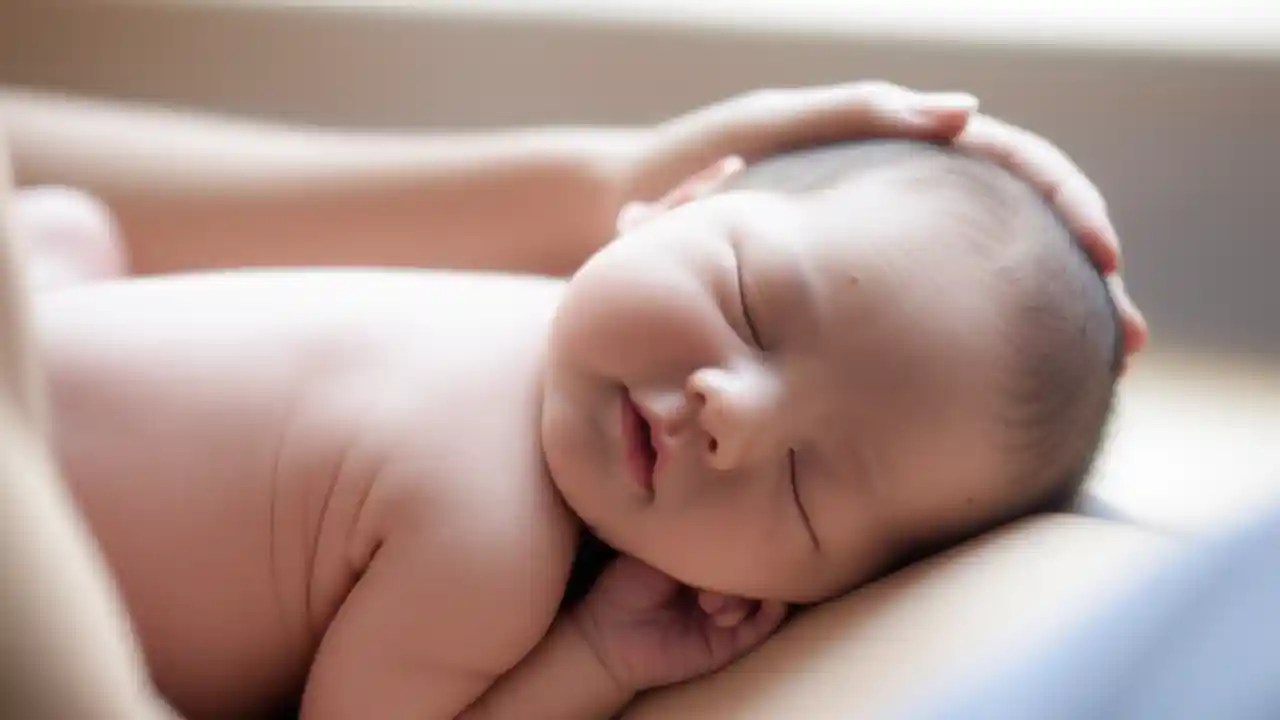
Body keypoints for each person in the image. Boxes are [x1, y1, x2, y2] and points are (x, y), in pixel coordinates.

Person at [1, 82, 1145, 720]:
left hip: (51, 380)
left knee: (64, 227)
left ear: (800, 595)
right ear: (676, 200)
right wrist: (594, 664)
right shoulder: (485, 559)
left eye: (804, 483)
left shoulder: (515, 311)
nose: (731, 415)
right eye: (748, 305)